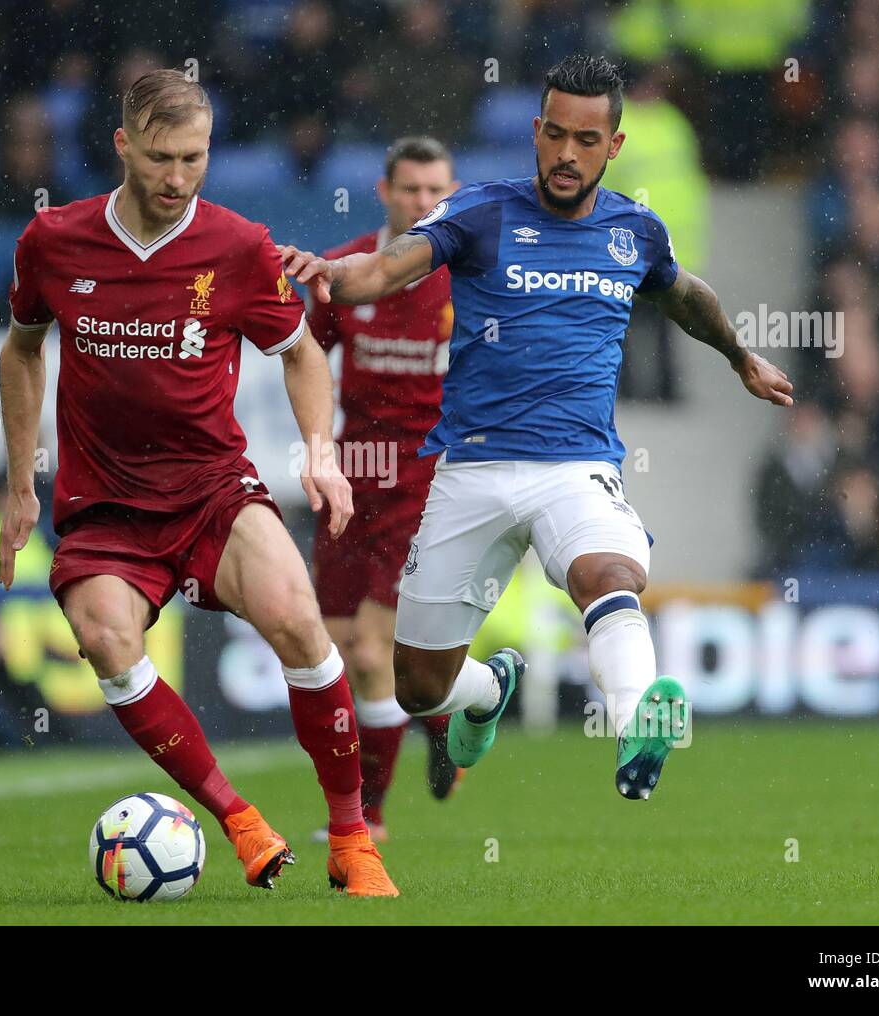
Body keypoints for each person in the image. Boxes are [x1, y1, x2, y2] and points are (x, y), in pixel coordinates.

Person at [280, 55, 793, 800]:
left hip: (576, 468)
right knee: (418, 685)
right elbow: (387, 268)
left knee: (609, 578)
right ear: (535, 131)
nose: (566, 154)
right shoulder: (481, 213)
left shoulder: (635, 232)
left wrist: (740, 356)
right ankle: (488, 690)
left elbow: (685, 294)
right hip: (473, 470)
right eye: (555, 134)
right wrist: (334, 274)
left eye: (586, 140)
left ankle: (636, 726)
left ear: (613, 145)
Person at [0, 69, 397, 896]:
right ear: (122, 146)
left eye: (194, 158)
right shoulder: (53, 241)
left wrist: (320, 452)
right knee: (107, 639)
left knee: (299, 619)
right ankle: (238, 820)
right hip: (106, 507)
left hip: (213, 491)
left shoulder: (239, 246)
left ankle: (353, 839)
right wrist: (19, 482)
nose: (178, 178)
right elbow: (22, 350)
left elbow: (300, 353)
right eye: (160, 158)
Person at [308, 136, 460, 843]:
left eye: (436, 191)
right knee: (341, 653)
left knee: (371, 653)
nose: (423, 202)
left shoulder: (465, 277)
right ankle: (438, 715)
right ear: (385, 192)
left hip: (424, 484)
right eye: (410, 189)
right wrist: (316, 449)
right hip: (351, 480)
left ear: (451, 194)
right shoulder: (346, 270)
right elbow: (304, 357)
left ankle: (365, 820)